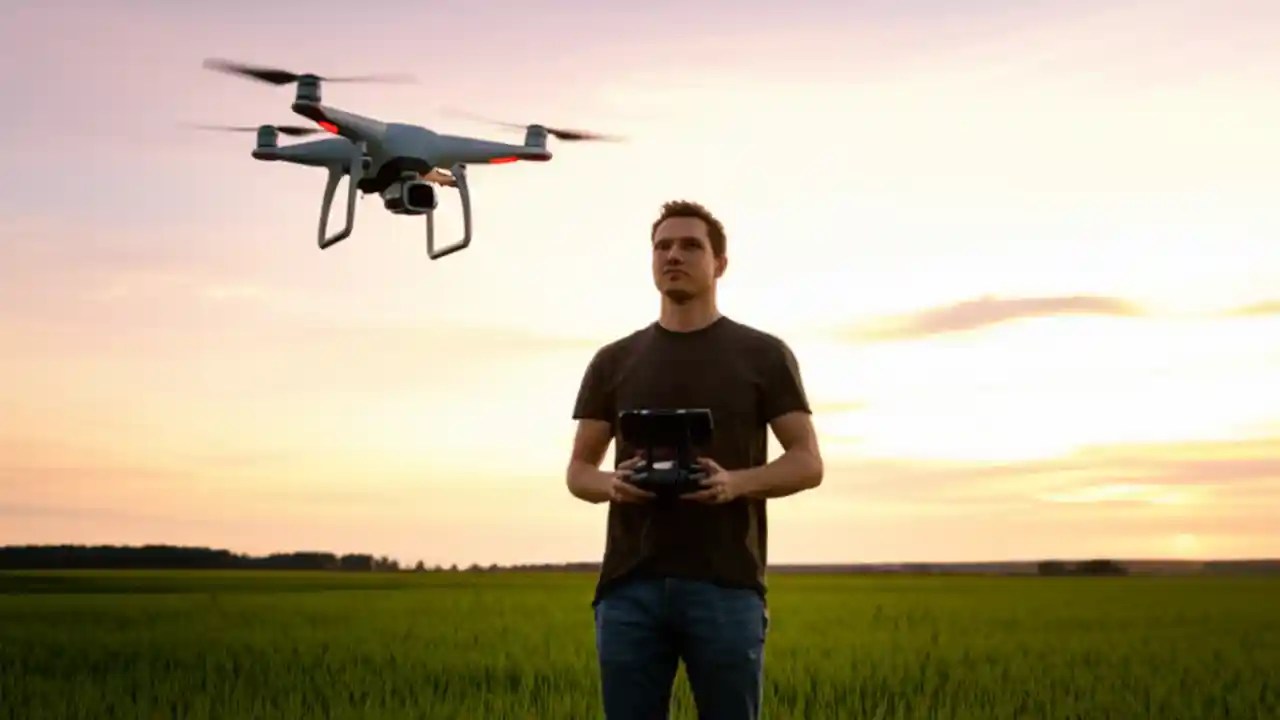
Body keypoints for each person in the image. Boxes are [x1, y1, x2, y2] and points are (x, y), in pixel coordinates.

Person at [565, 199, 824, 720]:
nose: (673, 256)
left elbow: (807, 462)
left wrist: (735, 483)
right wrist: (612, 484)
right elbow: (578, 472)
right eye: (662, 246)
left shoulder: (763, 354)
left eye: (690, 246)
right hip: (629, 588)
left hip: (725, 585)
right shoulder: (613, 360)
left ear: (719, 263)